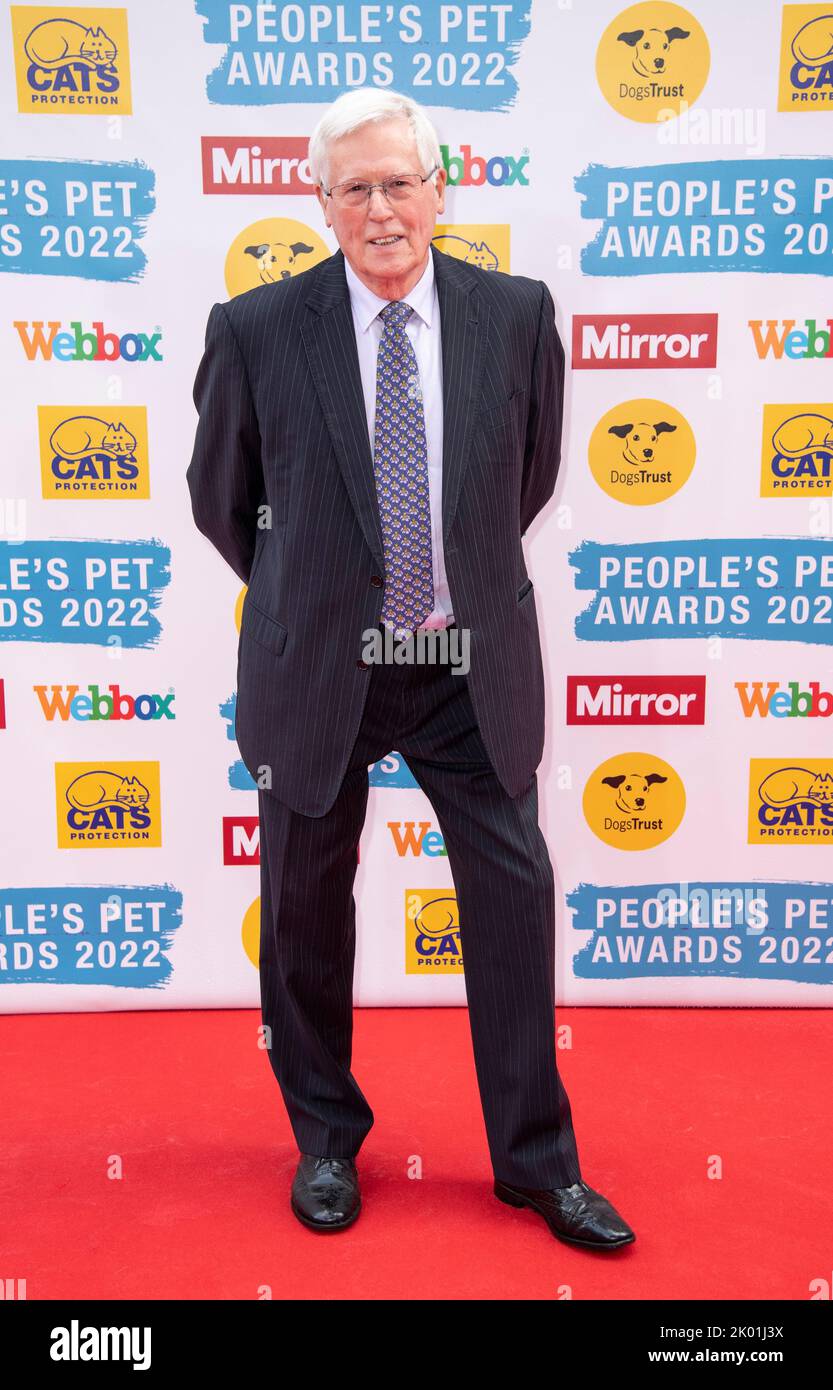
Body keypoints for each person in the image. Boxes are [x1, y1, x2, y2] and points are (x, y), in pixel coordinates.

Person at [186, 87, 635, 1252]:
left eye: (399, 182)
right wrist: (322, 594)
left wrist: (439, 586)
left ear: (441, 187)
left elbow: (521, 482)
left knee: (510, 903)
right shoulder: (255, 327)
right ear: (320, 203)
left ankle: (535, 1166)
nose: (380, 208)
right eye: (354, 188)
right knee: (299, 915)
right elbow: (222, 500)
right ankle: (326, 1142)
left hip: (463, 663)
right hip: (318, 664)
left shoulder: (514, 313)